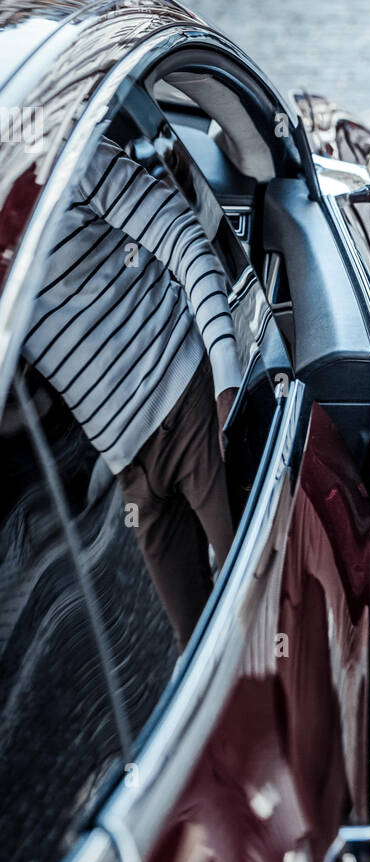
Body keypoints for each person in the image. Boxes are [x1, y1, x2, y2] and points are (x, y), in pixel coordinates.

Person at [23, 135, 242, 649]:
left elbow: (185, 237)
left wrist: (227, 378)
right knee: (198, 653)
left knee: (265, 610)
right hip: (130, 469)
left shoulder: (66, 157)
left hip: (195, 406)